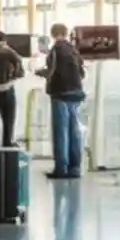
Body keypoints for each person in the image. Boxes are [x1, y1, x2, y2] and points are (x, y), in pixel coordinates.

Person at [38, 23, 86, 179]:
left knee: (61, 132)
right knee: (75, 132)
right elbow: (81, 72)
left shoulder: (55, 50)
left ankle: (61, 168)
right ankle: (75, 168)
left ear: (53, 34)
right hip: (76, 93)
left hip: (60, 93)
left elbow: (51, 71)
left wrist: (40, 73)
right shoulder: (74, 49)